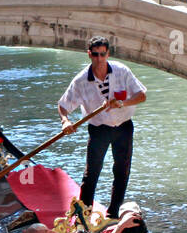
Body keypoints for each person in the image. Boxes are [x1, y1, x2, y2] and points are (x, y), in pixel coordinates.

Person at [58, 36, 147, 216]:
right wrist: (65, 121)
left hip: (123, 126)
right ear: (89, 54)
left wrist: (122, 103)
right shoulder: (81, 80)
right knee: (91, 173)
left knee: (122, 171)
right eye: (96, 55)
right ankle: (84, 214)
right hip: (99, 129)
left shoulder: (122, 71)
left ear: (108, 54)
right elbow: (63, 105)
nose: (99, 59)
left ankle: (113, 214)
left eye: (103, 55)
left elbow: (141, 95)